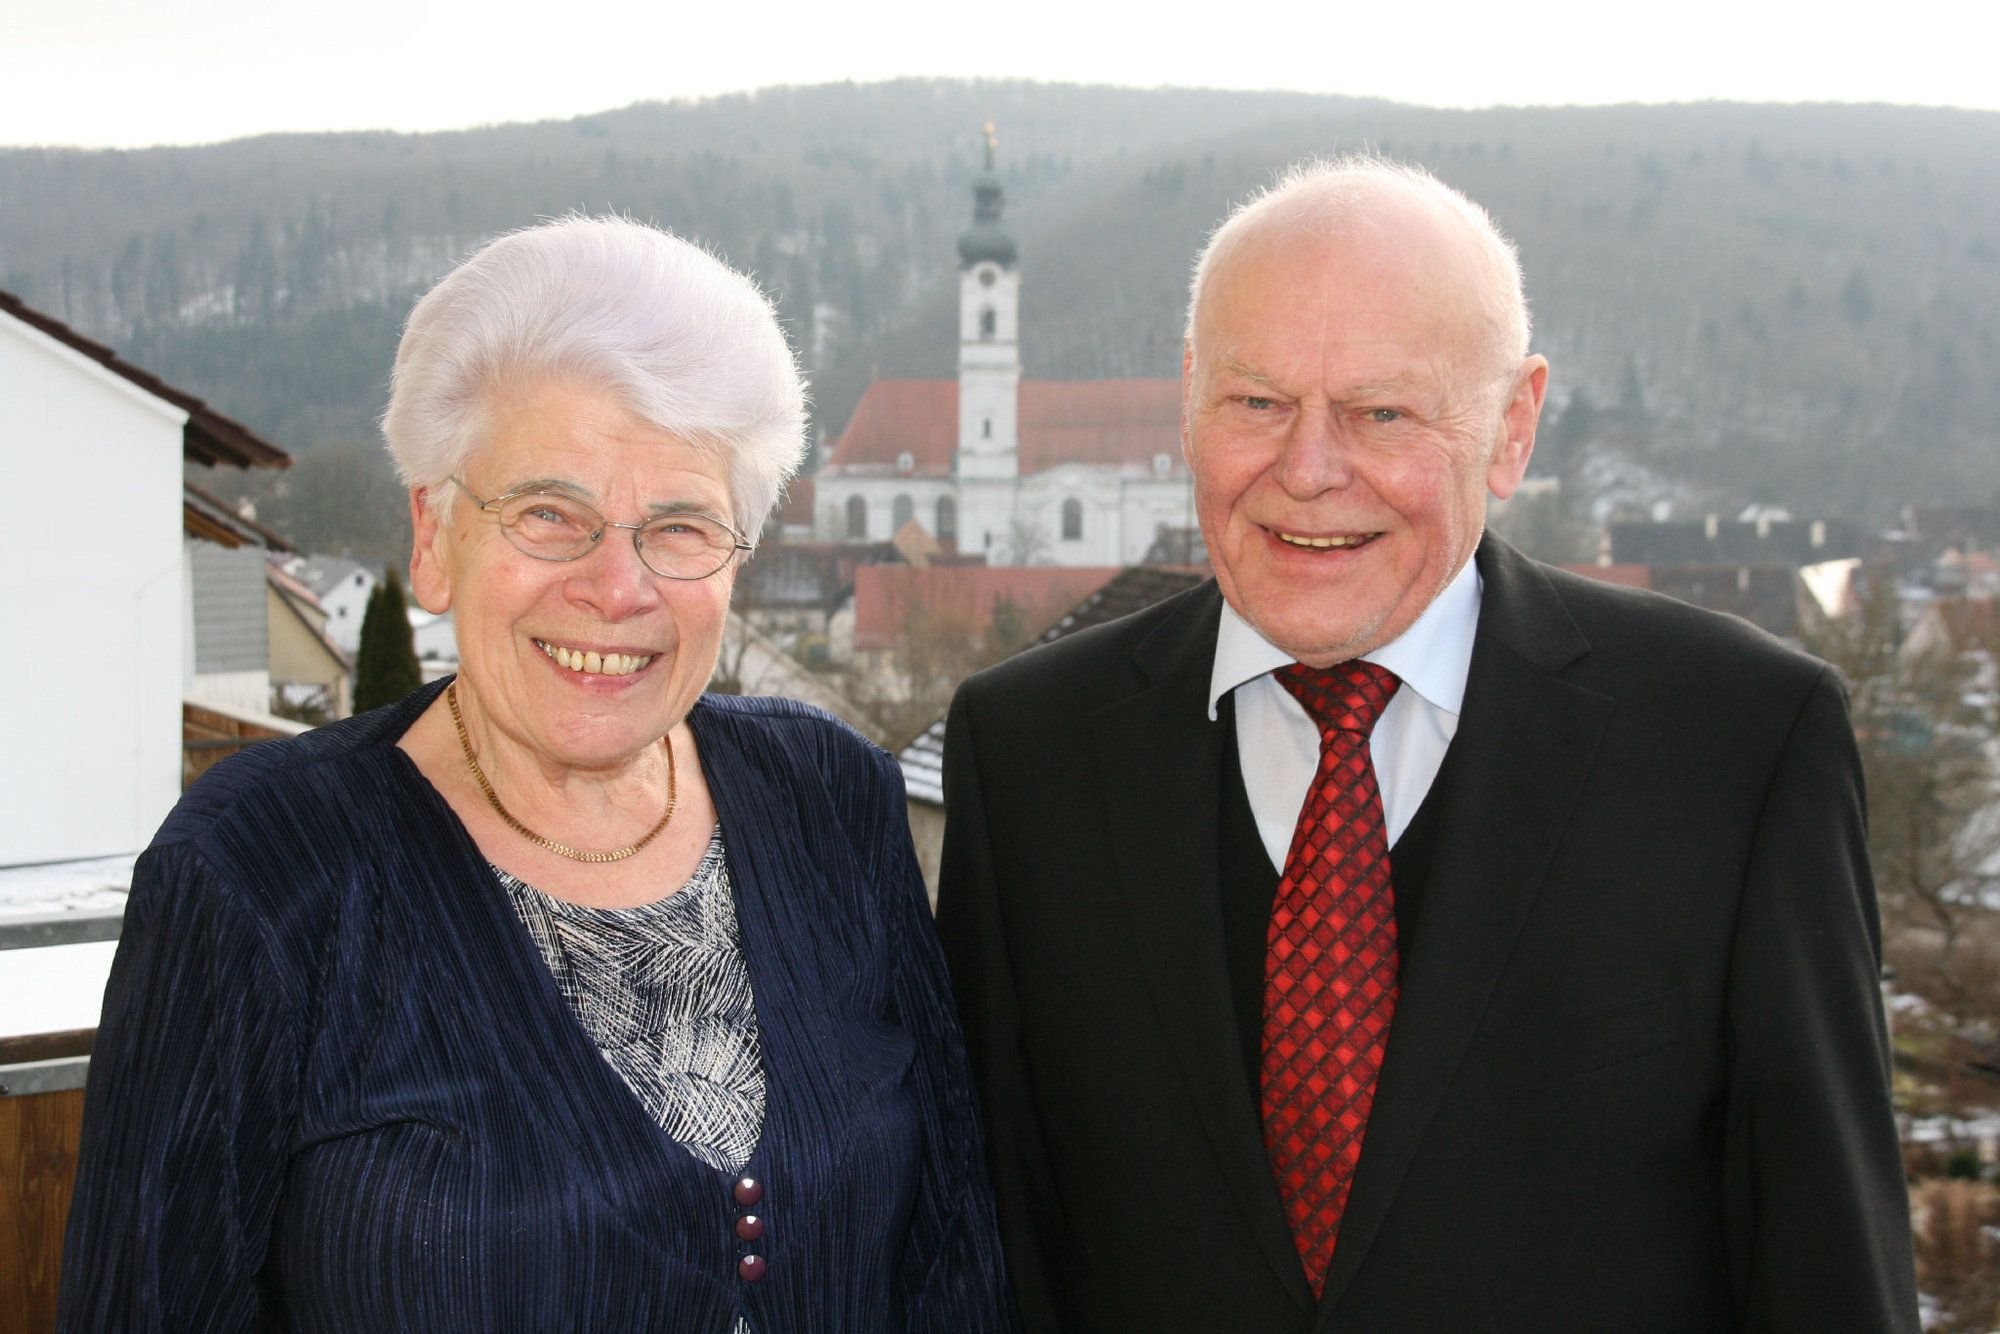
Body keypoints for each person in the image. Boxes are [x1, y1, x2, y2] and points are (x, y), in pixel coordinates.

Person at [936, 158, 1918, 1332]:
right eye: (1255, 402)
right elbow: (994, 1251)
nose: (1306, 470)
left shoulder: (1738, 744)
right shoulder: (1026, 751)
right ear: (1188, 397)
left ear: (1511, 427)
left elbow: (1823, 1265)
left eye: (1381, 411)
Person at [60, 216, 1015, 1332]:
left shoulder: (830, 799)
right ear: (432, 533)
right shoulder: (260, 868)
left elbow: (953, 1254)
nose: (617, 586)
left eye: (679, 524)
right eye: (550, 513)